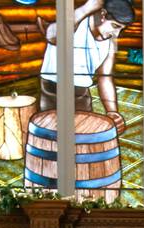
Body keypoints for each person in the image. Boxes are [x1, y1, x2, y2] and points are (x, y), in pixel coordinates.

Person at [39, 0, 133, 133]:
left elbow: (105, 78)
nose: (116, 34)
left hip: (81, 94)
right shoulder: (76, 22)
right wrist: (87, 8)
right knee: (49, 134)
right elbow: (51, 35)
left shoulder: (110, 42)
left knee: (83, 136)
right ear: (103, 14)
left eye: (121, 29)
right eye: (115, 26)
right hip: (52, 90)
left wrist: (112, 111)